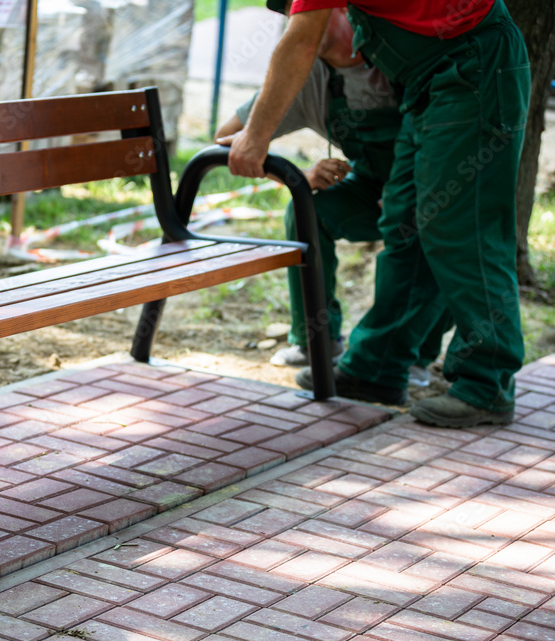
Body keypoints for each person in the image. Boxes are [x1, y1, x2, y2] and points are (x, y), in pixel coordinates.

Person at [221, 0, 530, 427]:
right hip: (428, 82)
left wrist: (256, 136)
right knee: (405, 221)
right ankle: (376, 370)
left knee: (461, 229)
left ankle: (487, 383)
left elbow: (301, 38)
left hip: (472, 63)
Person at [215, 3, 450, 386]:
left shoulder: (396, 53)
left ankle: (414, 356)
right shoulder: (303, 78)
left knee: (438, 230)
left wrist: (407, 191)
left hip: (431, 185)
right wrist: (299, 175)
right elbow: (227, 139)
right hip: (371, 187)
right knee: (307, 210)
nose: (299, 20)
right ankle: (316, 341)